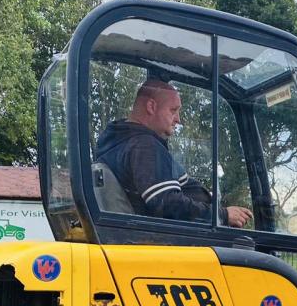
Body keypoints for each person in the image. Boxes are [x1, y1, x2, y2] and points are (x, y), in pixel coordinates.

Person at [95, 79, 253, 227]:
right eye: (173, 110)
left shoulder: (117, 141)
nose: (178, 119)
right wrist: (222, 215)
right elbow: (168, 205)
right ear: (151, 106)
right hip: (179, 239)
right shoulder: (144, 145)